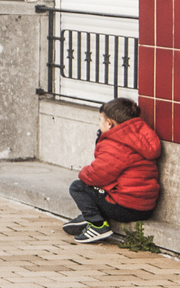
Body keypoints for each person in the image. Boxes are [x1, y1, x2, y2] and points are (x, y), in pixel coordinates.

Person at [65, 97, 163, 243]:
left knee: (78, 187)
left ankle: (97, 225)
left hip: (125, 207)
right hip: (145, 206)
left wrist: (83, 172)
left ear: (109, 123)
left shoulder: (117, 143)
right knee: (102, 187)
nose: (99, 126)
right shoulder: (139, 136)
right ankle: (90, 217)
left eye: (100, 121)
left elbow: (97, 175)